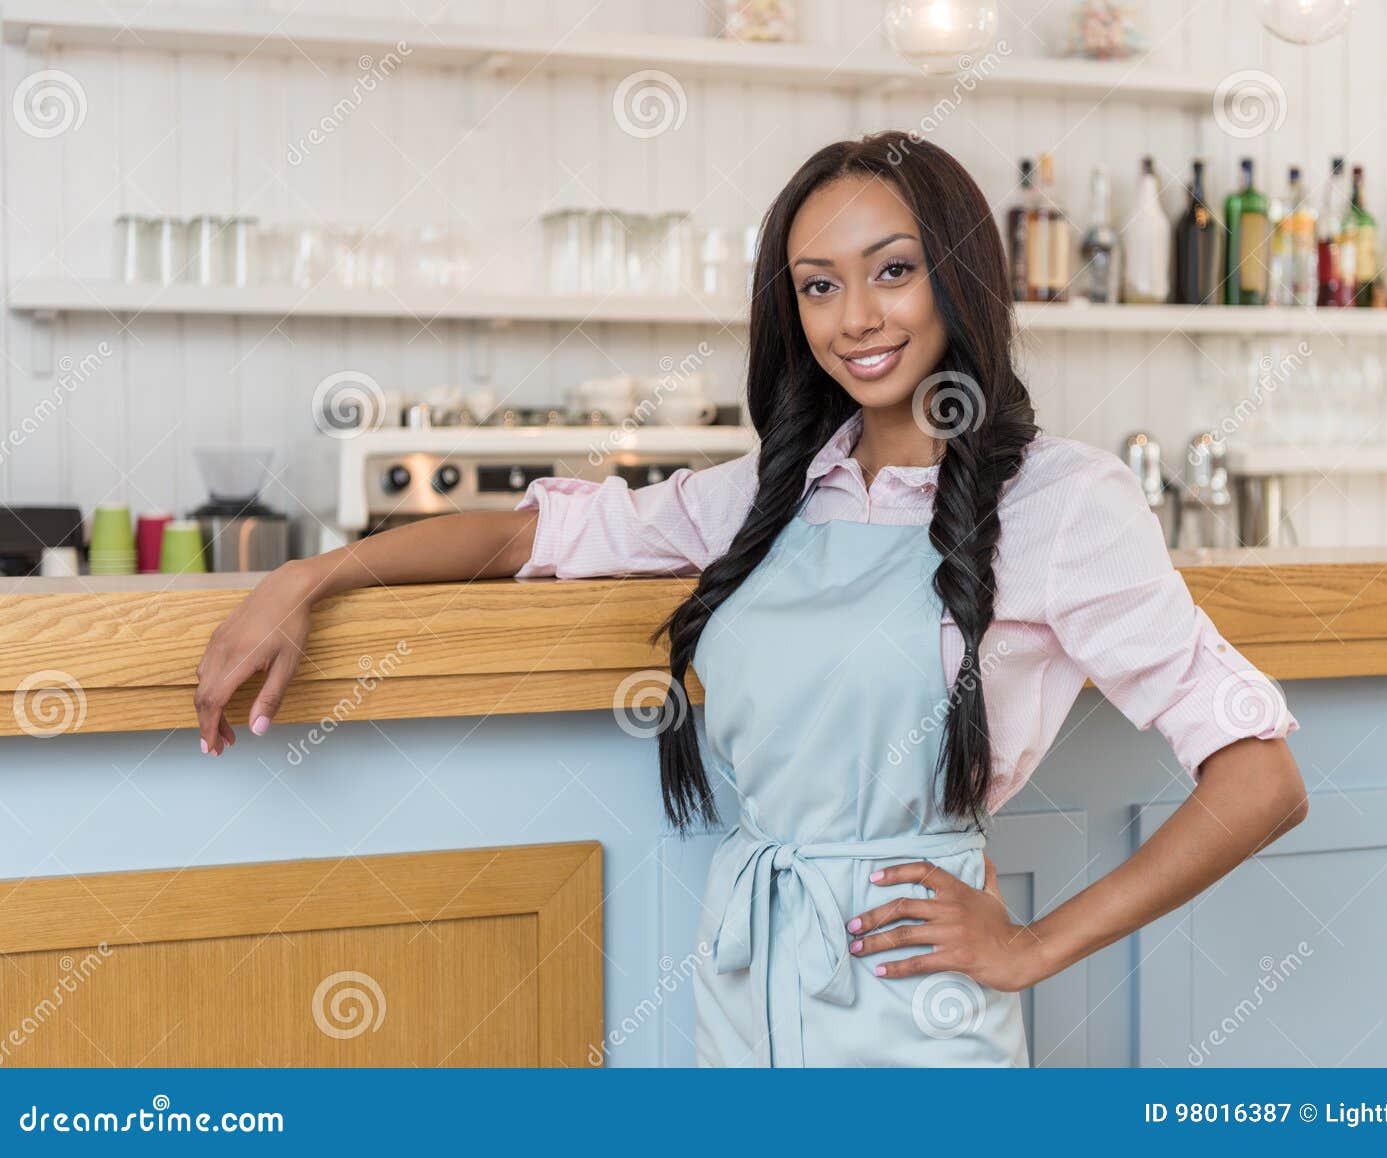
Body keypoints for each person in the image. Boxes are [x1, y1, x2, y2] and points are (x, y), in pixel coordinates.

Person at [194, 131, 1307, 1068]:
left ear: (960, 276)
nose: (854, 317)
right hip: (744, 985)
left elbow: (1260, 776)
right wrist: (315, 574)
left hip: (914, 1002)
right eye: (818, 285)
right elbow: (520, 538)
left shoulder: (1065, 502)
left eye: (891, 271)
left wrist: (1029, 946)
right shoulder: (768, 491)